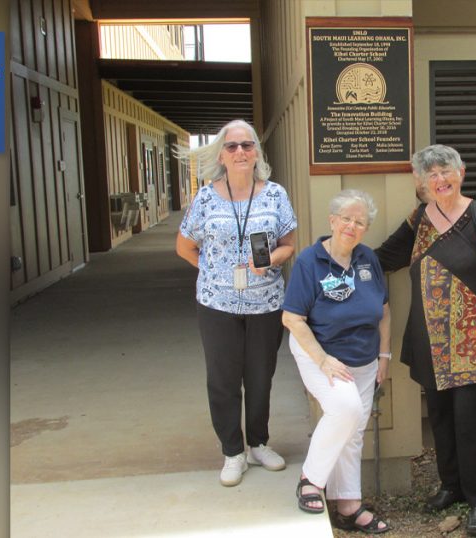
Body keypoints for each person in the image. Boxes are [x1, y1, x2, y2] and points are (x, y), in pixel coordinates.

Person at [375, 144, 476, 536]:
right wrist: (335, 255)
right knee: (439, 416)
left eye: (446, 171)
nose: (440, 180)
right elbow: (385, 256)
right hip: (429, 336)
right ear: (423, 181)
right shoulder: (420, 218)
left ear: (461, 173)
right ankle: (451, 485)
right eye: (432, 174)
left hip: (472, 337)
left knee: (470, 421)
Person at [175, 119, 297, 487]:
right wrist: (213, 274)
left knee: (260, 377)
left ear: (256, 152)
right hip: (217, 305)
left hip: (265, 303)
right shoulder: (205, 198)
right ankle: (233, 451)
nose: (240, 152)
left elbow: (289, 244)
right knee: (223, 379)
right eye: (232, 146)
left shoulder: (275, 195)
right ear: (221, 156)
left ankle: (258, 443)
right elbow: (185, 247)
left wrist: (270, 260)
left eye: (247, 145)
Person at [282, 190, 391, 534]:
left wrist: (384, 355)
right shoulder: (309, 262)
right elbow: (292, 318)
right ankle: (311, 479)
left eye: (360, 222)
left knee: (353, 431)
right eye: (346, 219)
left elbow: (384, 311)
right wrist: (323, 360)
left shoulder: (367, 259)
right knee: (346, 409)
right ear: (332, 220)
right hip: (318, 351)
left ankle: (348, 505)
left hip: (364, 357)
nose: (352, 226)